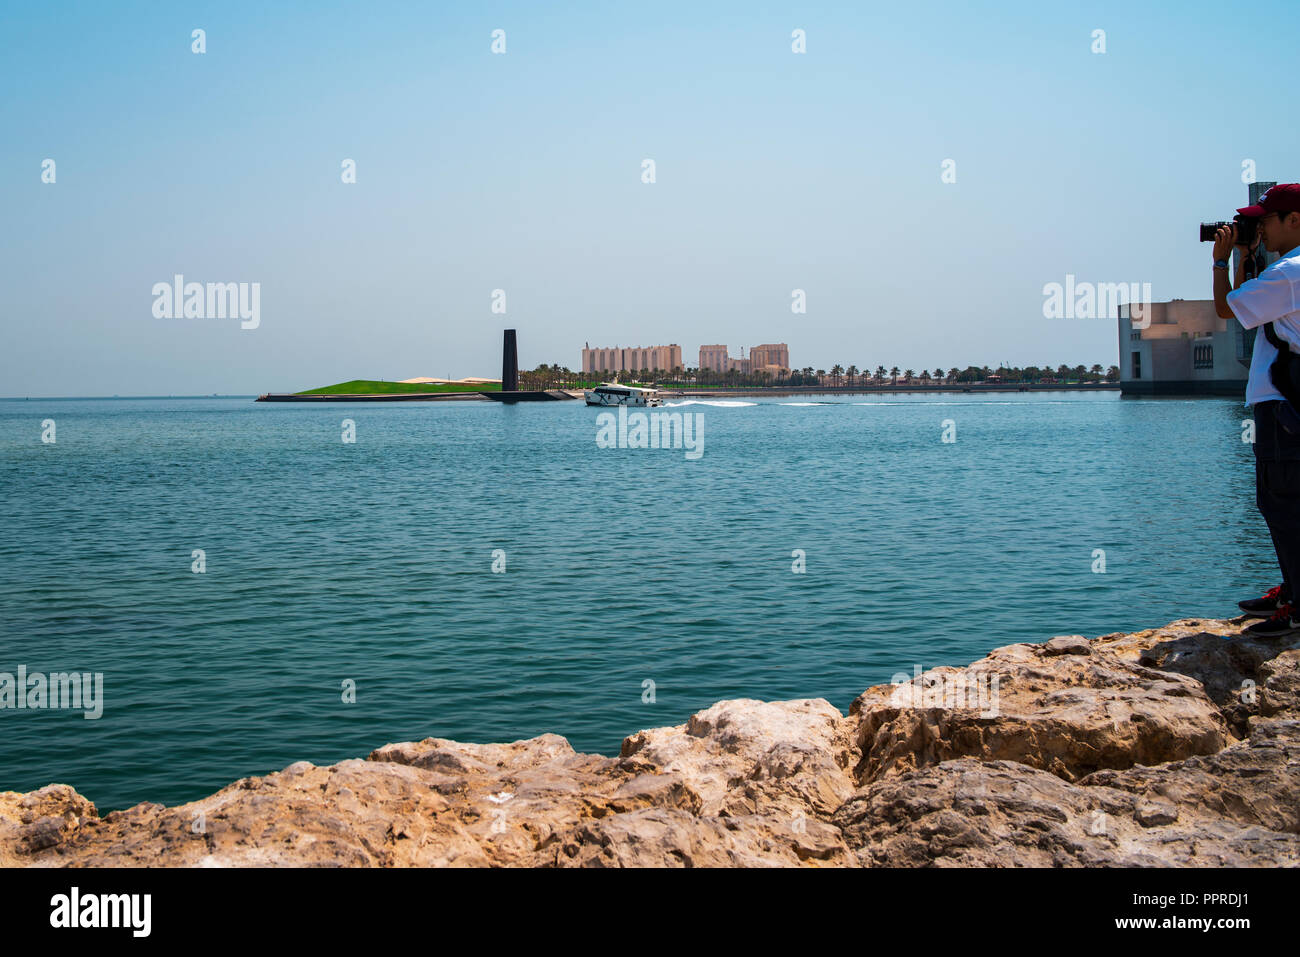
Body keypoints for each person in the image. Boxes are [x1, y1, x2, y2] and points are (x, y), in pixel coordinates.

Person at [1213, 184, 1300, 637]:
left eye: (1266, 220)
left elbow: (1227, 309)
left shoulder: (1290, 272)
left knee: (1282, 503)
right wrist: (1248, 256)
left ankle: (1296, 607)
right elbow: (1254, 304)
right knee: (1286, 500)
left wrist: (1219, 261)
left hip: (1282, 405)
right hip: (1290, 403)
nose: (1260, 227)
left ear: (1295, 220)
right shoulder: (1287, 273)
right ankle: (1292, 591)